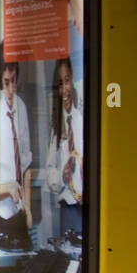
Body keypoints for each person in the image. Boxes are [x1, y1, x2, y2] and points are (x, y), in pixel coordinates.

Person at [44, 57, 83, 240]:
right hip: (69, 208)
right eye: (60, 84)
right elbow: (49, 172)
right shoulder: (56, 130)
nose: (65, 89)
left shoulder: (83, 120)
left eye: (67, 81)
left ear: (73, 80)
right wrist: (62, 175)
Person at [0, 60, 32, 247]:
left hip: (20, 210)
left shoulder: (21, 107)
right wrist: (7, 188)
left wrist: (28, 207)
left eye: (14, 81)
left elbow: (26, 161)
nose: (11, 89)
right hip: (0, 213)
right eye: (6, 82)